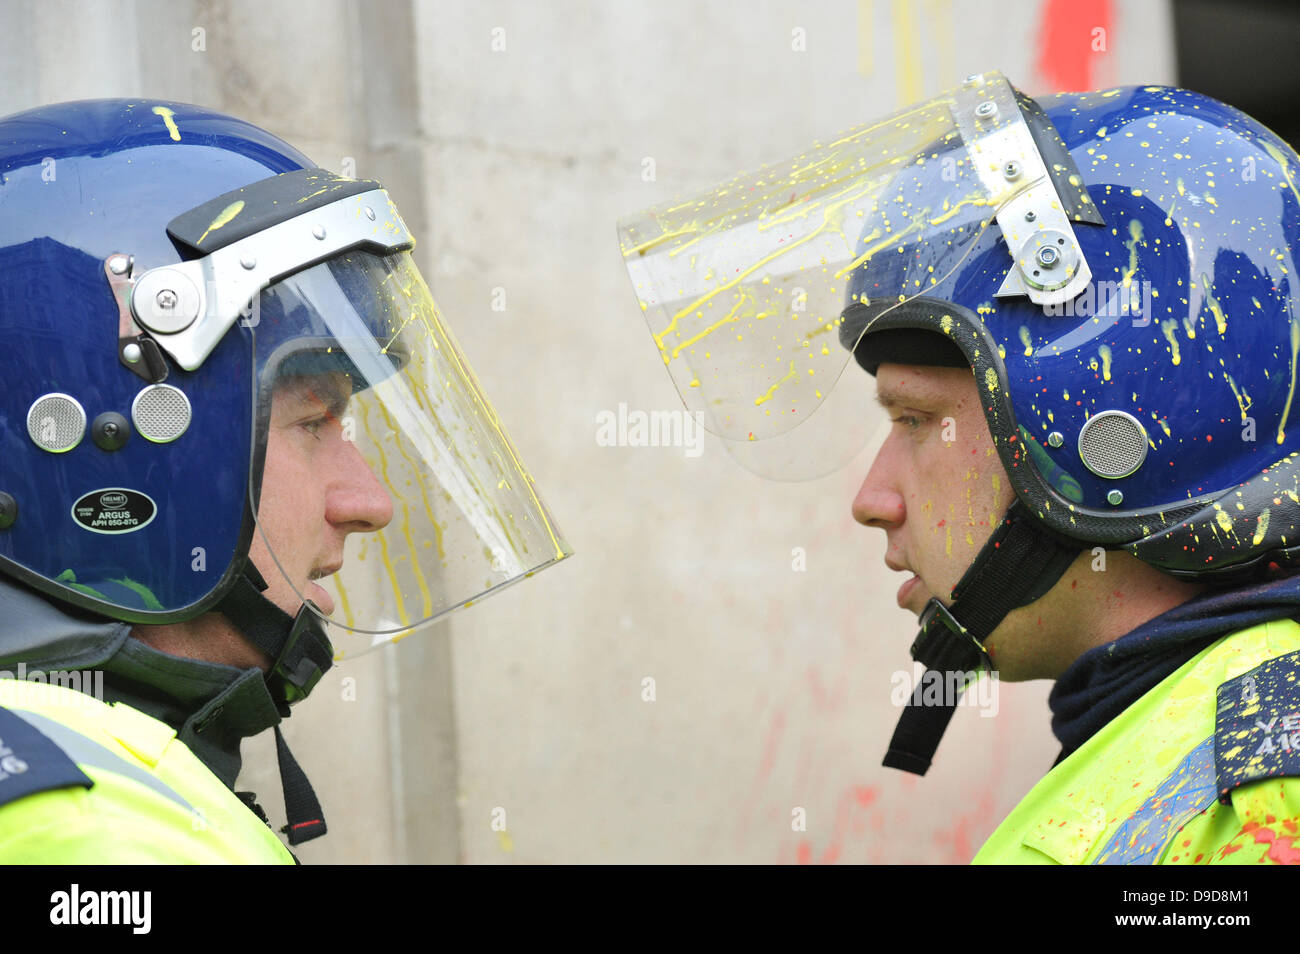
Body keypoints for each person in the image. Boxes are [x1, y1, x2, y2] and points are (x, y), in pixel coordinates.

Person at [618, 71, 1300, 864]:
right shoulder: (1194, 752)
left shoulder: (1249, 799)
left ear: (1109, 434)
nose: (872, 500)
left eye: (915, 421)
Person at [0, 99, 570, 862]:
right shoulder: (92, 830)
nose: (371, 504)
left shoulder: (104, 779)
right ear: (123, 454)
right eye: (312, 423)